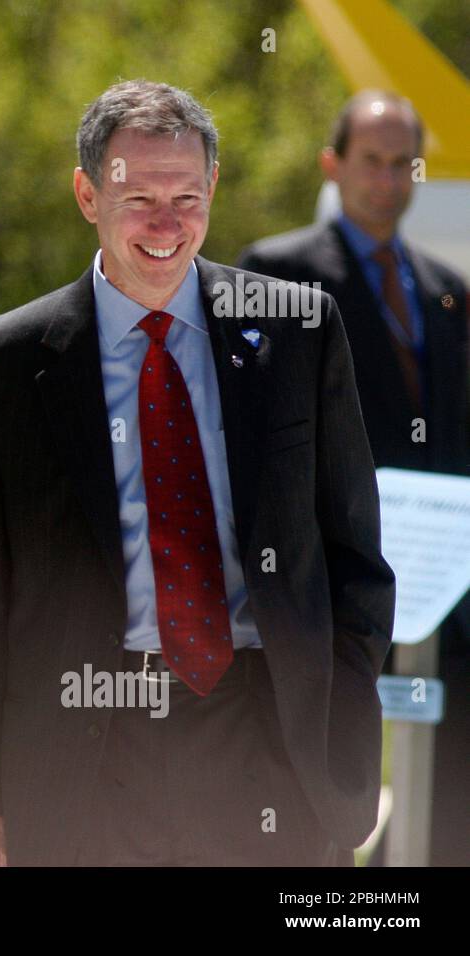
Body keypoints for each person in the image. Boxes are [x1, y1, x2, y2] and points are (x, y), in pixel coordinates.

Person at [0, 80, 395, 866]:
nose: (166, 223)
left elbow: (356, 560)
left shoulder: (298, 333)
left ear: (213, 186)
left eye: (186, 195)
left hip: (271, 744)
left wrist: (337, 724)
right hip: (85, 757)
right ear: (86, 193)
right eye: (138, 195)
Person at [238, 90, 470, 866]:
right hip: (330, 568)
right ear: (333, 165)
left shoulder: (446, 287)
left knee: (450, 775)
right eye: (371, 160)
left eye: (404, 162)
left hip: (439, 573)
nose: (389, 178)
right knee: (324, 773)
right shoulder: (279, 271)